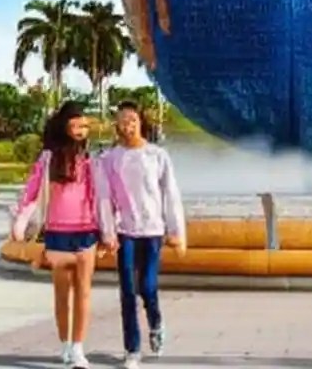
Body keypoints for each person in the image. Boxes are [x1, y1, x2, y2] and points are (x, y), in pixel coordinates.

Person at [12, 101, 109, 369]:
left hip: (86, 231)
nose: (81, 130)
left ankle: (78, 347)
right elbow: (31, 192)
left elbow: (101, 198)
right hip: (57, 232)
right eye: (76, 124)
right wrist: (21, 221)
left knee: (84, 292)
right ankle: (65, 344)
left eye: (85, 126)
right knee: (62, 293)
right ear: (64, 126)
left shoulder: (92, 159)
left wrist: (107, 231)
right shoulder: (49, 158)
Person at [97, 101, 186, 369]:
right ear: (117, 125)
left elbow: (171, 194)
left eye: (132, 120)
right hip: (126, 231)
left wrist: (176, 231)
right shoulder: (109, 159)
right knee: (127, 291)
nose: (128, 125)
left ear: (140, 122)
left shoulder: (157, 156)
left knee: (147, 287)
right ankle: (132, 348)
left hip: (153, 230)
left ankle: (156, 323)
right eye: (123, 120)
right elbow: (104, 198)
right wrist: (108, 232)